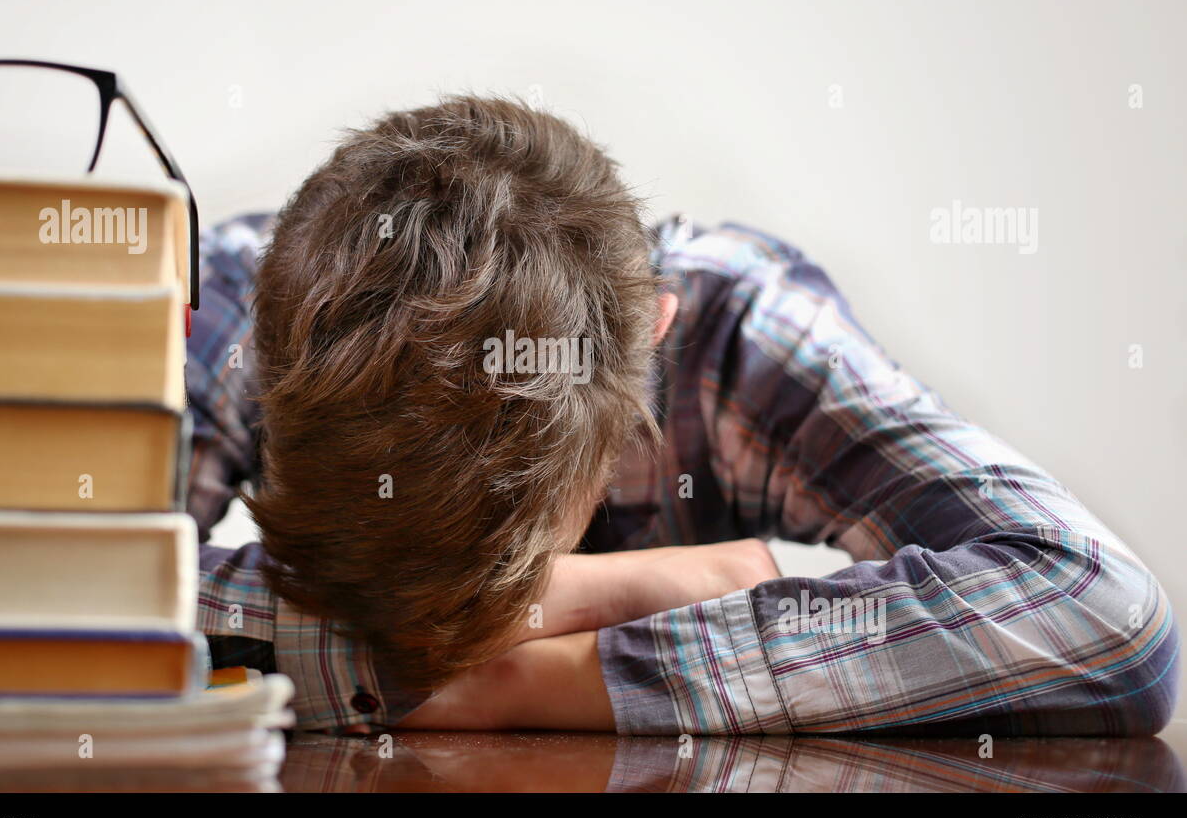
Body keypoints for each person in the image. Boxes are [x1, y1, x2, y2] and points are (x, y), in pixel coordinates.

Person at [192, 95, 1177, 735]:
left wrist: (560, 678)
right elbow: (43, 607)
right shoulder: (235, 306)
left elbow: (1103, 616)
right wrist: (627, 591)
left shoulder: (744, 330)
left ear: (647, 349)